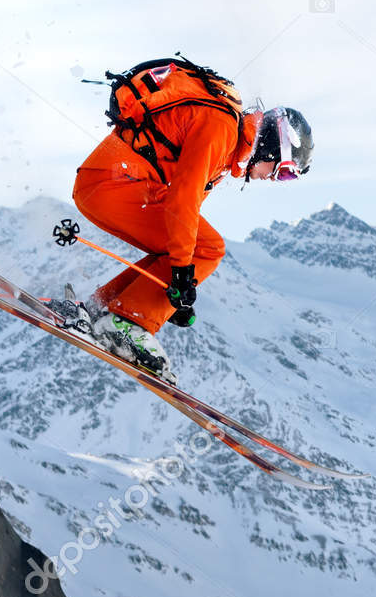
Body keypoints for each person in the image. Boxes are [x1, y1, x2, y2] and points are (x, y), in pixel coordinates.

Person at [52, 55, 313, 378]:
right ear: (275, 147)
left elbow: (181, 222)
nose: (273, 180)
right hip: (115, 184)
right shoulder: (221, 129)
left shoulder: (224, 150)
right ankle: (127, 320)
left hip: (107, 183)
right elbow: (183, 202)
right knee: (208, 247)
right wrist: (180, 273)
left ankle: (101, 310)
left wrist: (176, 292)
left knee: (189, 248)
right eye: (284, 172)